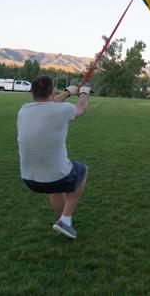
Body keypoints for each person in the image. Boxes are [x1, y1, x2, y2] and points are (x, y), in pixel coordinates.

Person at [17, 75, 91, 240]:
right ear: (51, 91)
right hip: (56, 176)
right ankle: (65, 219)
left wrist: (67, 92)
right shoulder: (61, 110)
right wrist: (84, 93)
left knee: (56, 188)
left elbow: (47, 105)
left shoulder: (23, 110)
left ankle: (64, 221)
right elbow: (81, 109)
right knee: (83, 171)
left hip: (29, 179)